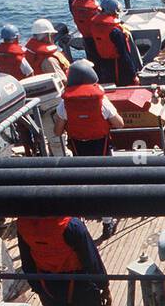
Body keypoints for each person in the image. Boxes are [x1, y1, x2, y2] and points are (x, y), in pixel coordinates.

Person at [53, 60, 124, 239]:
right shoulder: (101, 100)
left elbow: (57, 130)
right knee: (104, 183)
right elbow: (119, 124)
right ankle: (108, 222)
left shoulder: (65, 103)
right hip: (101, 146)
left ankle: (82, 220)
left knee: (82, 182)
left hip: (79, 147)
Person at [18, 215, 110, 306]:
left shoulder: (23, 225)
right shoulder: (72, 226)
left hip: (49, 286)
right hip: (81, 284)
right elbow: (91, 260)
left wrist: (39, 290)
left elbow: (27, 262)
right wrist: (104, 286)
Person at [89, 0, 142, 87]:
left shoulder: (94, 25)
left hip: (104, 65)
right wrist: (133, 75)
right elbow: (125, 55)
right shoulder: (115, 31)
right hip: (119, 66)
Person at [68, 0, 100, 66]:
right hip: (97, 40)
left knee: (91, 61)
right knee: (101, 61)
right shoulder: (95, 10)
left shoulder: (74, 7)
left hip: (86, 39)